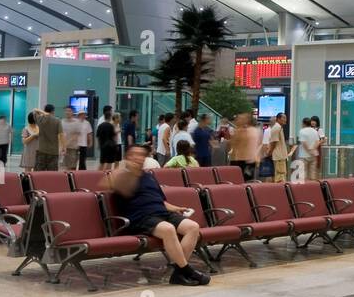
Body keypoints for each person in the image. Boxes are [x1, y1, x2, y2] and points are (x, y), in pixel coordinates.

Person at [108, 144, 209, 286]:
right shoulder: (121, 177)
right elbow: (112, 184)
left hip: (162, 213)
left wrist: (175, 208)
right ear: (127, 157)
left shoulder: (149, 176)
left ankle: (178, 273)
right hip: (141, 217)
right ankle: (188, 271)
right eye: (134, 154)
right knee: (168, 229)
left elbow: (160, 200)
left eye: (141, 155)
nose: (138, 158)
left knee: (193, 227)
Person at [231, 112, 260, 181]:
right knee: (242, 180)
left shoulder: (246, 131)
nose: (238, 120)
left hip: (245, 159)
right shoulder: (241, 131)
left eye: (241, 118)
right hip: (242, 159)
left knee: (245, 180)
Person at [34, 104, 63, 171]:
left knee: (39, 173)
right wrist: (63, 147)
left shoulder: (40, 119)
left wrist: (44, 113)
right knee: (52, 174)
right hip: (53, 151)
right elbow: (61, 135)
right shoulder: (57, 121)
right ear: (53, 111)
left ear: (44, 110)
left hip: (41, 150)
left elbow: (35, 110)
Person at [266, 112, 289, 182]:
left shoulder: (279, 128)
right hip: (279, 156)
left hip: (281, 156)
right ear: (278, 119)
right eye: (283, 118)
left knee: (281, 175)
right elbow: (274, 142)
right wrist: (269, 153)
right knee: (280, 176)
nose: (285, 119)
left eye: (286, 118)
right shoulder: (276, 128)